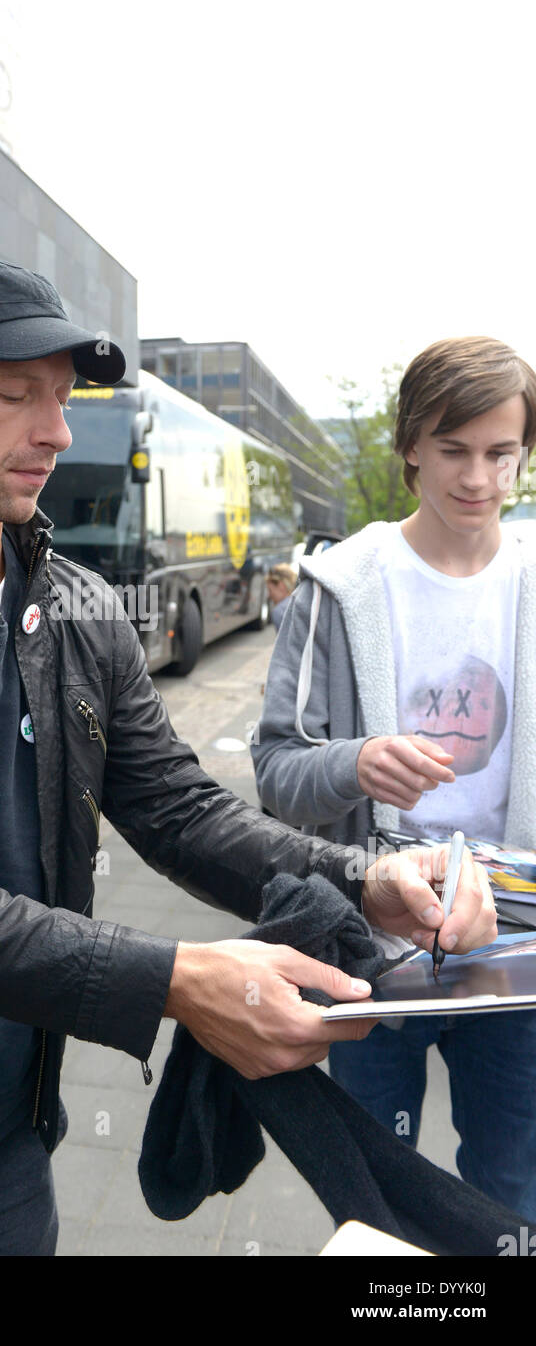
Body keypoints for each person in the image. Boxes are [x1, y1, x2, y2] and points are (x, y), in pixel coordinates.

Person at [0, 261, 494, 1256]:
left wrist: (364, 880)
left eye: (61, 398)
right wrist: (170, 977)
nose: (56, 432)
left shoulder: (82, 612)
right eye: (14, 395)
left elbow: (181, 810)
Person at [252, 335, 536, 1219]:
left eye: (502, 453)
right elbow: (275, 771)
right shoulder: (338, 588)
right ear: (411, 444)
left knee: (514, 1192)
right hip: (373, 941)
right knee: (374, 1200)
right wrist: (356, 762)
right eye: (454, 450)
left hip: (521, 949)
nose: (479, 478)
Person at [266, 563, 298, 629]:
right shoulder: (299, 602)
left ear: (281, 586)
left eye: (270, 590)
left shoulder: (279, 611)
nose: (269, 595)